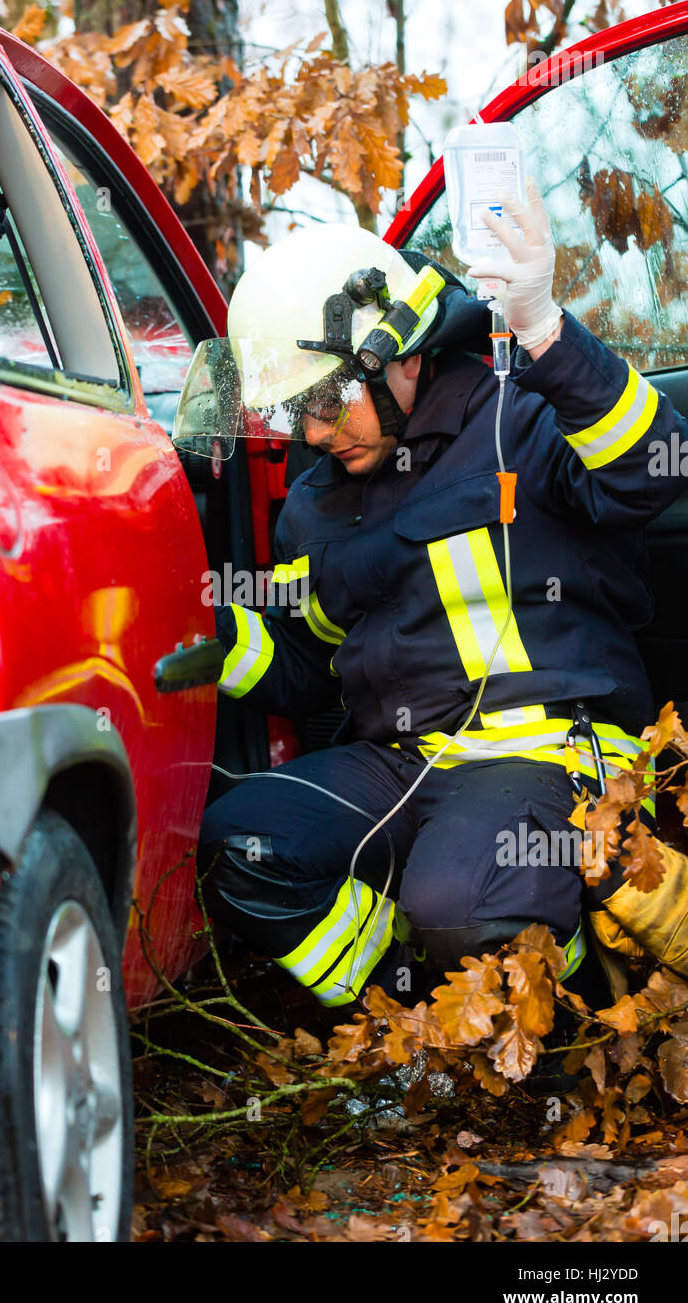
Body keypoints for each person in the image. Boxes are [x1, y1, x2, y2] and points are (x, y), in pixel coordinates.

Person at [175, 180, 688, 1009]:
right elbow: (313, 663)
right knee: (245, 844)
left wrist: (547, 332)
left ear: (403, 354)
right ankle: (410, 1020)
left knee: (457, 899)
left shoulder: (516, 421)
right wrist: (214, 635)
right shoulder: (313, 503)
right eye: (290, 409)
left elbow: (657, 462)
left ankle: (568, 1003)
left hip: (548, 755)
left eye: (324, 399)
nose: (309, 433)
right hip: (401, 765)